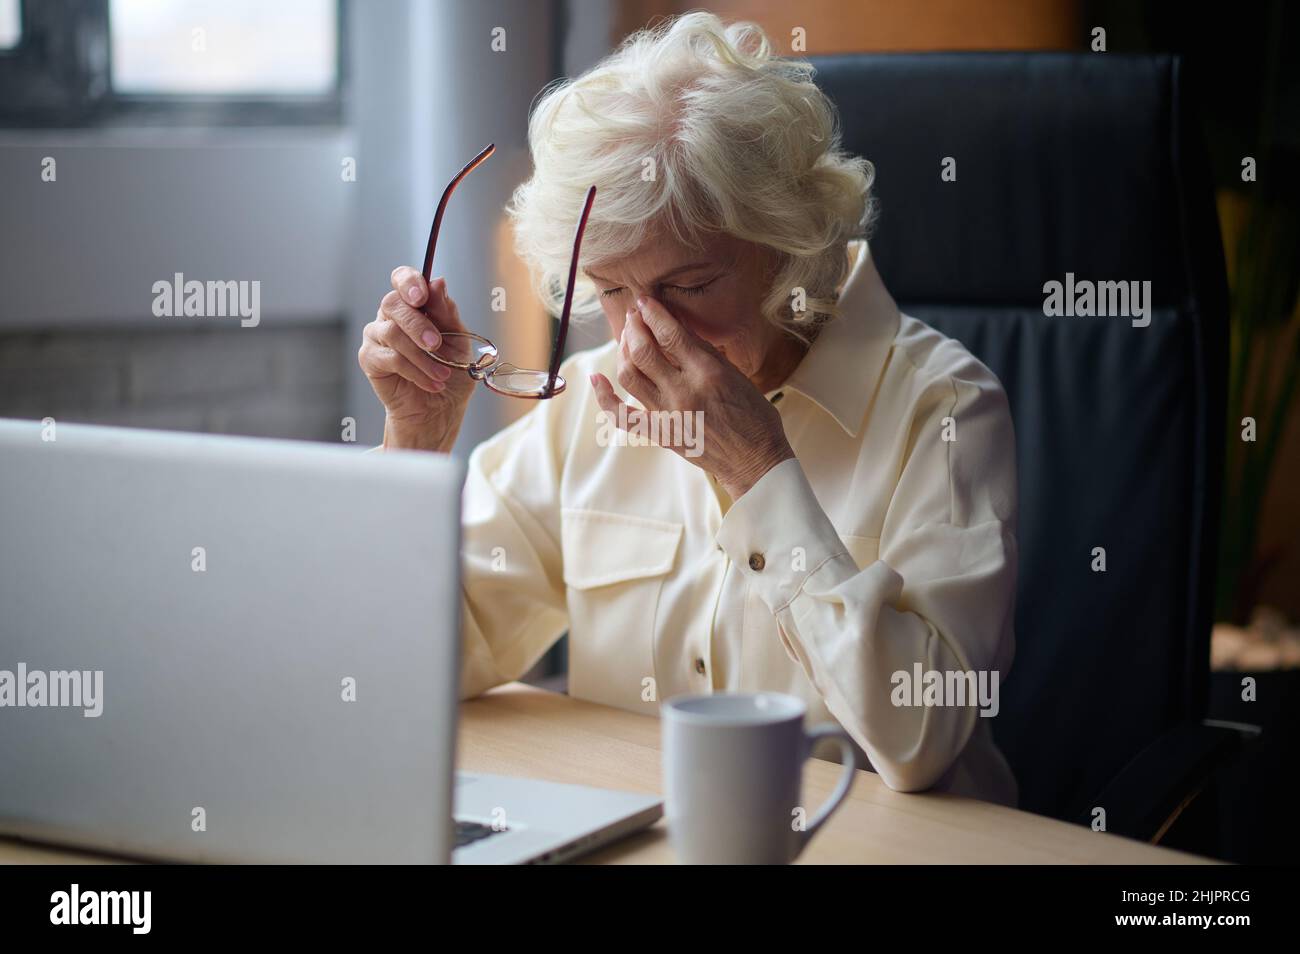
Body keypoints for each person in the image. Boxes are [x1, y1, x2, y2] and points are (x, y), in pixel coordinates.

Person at [358, 12, 1018, 806]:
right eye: (610, 291)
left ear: (790, 243)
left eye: (686, 287)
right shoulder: (588, 404)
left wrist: (757, 471)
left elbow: (920, 745)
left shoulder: (945, 408)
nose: (643, 336)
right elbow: (407, 664)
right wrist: (415, 447)